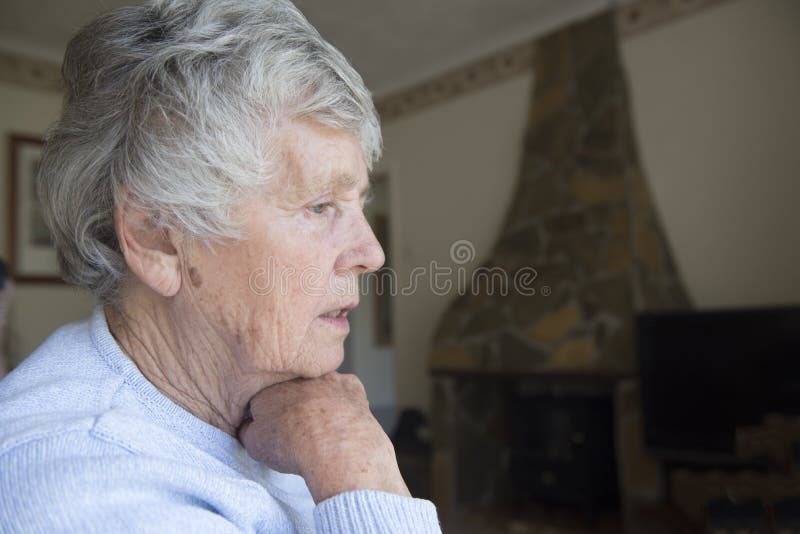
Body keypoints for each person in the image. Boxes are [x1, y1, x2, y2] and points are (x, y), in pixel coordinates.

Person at [0, 1, 441, 532]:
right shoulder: (87, 495)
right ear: (158, 239)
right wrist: (359, 470)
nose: (372, 253)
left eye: (359, 205)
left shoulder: (277, 405)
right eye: (320, 205)